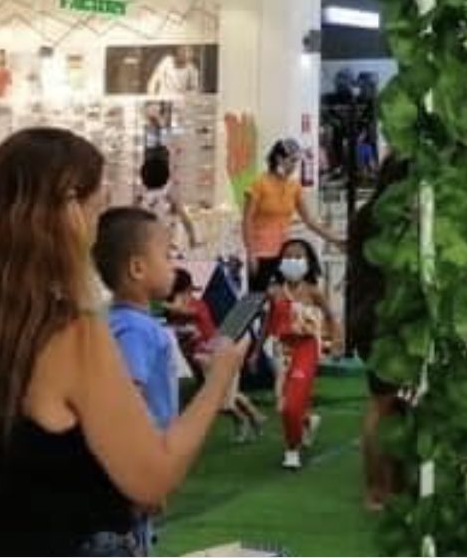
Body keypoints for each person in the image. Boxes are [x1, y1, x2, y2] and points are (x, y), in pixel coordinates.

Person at [0, 128, 250, 556]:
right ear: (69, 209)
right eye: (95, 207)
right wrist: (218, 381)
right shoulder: (71, 334)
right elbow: (151, 478)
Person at [94, 207, 180, 554]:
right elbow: (127, 405)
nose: (173, 262)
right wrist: (142, 480)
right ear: (137, 268)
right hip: (132, 474)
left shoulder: (118, 322)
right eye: (166, 254)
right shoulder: (135, 329)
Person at [346, 156, 410, 511]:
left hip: (365, 315)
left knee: (386, 403)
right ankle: (378, 489)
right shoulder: (392, 220)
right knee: (384, 404)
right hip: (385, 316)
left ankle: (384, 485)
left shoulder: (364, 215)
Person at [164, 270, 265, 443]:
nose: (187, 295)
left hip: (215, 356)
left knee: (222, 401)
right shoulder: (173, 311)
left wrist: (158, 303)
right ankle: (250, 418)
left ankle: (250, 418)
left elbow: (185, 313)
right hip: (199, 360)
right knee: (226, 398)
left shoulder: (196, 306)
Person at [242, 139, 343, 293]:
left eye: (296, 161)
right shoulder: (259, 184)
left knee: (284, 300)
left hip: (284, 253)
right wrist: (251, 253)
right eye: (292, 161)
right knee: (259, 299)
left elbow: (309, 220)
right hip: (261, 252)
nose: (294, 166)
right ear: (279, 159)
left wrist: (334, 239)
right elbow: (247, 220)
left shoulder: (294, 186)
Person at [268, 238, 334, 471]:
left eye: (298, 257)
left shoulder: (314, 292)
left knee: (291, 405)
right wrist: (255, 352)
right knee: (283, 405)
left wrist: (334, 342)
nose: (293, 261)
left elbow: (331, 318)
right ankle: (307, 421)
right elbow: (268, 323)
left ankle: (292, 449)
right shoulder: (274, 292)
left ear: (308, 261)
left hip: (306, 348)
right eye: (288, 256)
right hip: (282, 350)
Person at [137, 149, 199, 252]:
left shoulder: (141, 198)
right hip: (165, 243)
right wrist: (192, 239)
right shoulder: (168, 196)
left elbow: (132, 222)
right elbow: (185, 219)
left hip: (146, 243)